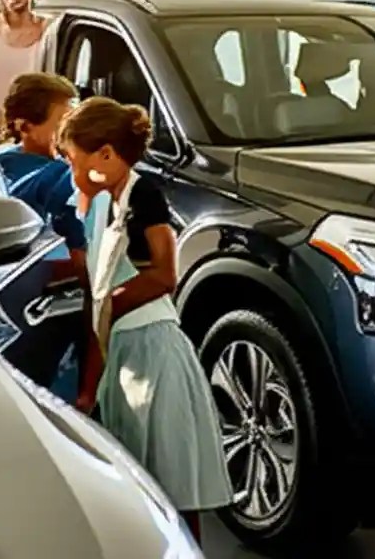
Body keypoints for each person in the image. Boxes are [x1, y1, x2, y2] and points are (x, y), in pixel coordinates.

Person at [58, 97, 231, 543]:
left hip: (153, 356)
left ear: (108, 155)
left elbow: (163, 274)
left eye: (77, 162)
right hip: (120, 358)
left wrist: (110, 301)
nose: (74, 174)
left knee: (174, 487)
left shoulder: (146, 197)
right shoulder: (100, 205)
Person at [0, 73, 93, 404]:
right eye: (64, 122)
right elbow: (77, 260)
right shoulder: (60, 177)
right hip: (52, 313)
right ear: (24, 127)